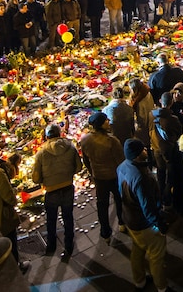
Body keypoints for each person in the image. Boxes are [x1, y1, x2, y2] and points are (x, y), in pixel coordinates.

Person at [118, 138, 169, 292]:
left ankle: (139, 281)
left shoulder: (122, 167)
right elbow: (148, 208)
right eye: (143, 150)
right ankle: (161, 287)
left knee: (138, 249)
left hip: (130, 218)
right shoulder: (141, 177)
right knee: (156, 256)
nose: (146, 151)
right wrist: (159, 224)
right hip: (144, 223)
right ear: (137, 154)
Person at [32, 122, 82, 258]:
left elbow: (36, 178)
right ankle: (69, 245)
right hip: (67, 187)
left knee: (51, 219)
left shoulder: (41, 153)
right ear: (60, 134)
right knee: (68, 217)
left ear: (47, 137)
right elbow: (78, 167)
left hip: (51, 190)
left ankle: (51, 245)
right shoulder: (70, 147)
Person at [79, 111, 125, 240]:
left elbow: (86, 160)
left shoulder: (85, 140)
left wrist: (91, 172)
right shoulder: (111, 141)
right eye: (106, 120)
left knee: (102, 204)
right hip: (114, 175)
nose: (109, 122)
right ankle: (122, 221)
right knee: (119, 199)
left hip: (99, 177)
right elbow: (120, 160)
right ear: (100, 124)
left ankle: (105, 231)